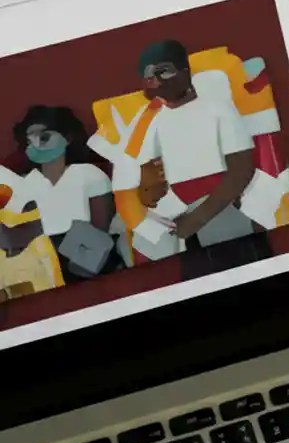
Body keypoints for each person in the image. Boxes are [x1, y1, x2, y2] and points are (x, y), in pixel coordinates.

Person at [134, 39, 272, 279]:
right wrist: (150, 193)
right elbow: (148, 184)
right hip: (183, 230)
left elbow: (240, 172)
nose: (156, 80)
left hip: (226, 217)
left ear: (185, 72)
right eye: (149, 75)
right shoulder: (154, 124)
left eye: (163, 71)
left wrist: (197, 218)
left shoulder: (218, 109)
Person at [0, 106, 121, 284]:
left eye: (44, 137)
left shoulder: (89, 174)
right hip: (46, 266)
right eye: (29, 140)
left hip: (92, 262)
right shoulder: (28, 183)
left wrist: (37, 233)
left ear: (68, 137)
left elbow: (100, 233)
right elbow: (15, 232)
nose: (36, 145)